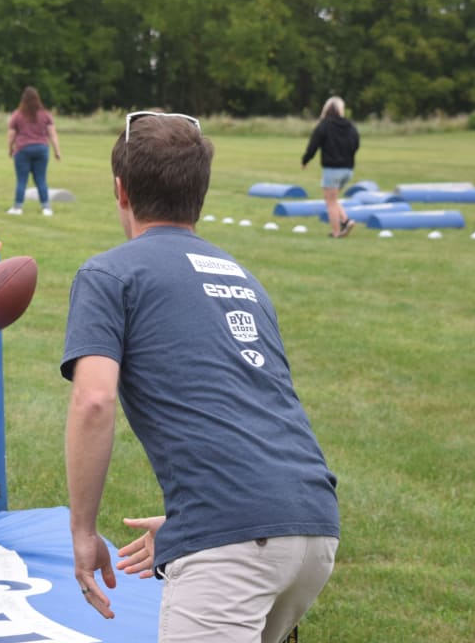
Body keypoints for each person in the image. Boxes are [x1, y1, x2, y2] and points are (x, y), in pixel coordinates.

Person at [63, 111, 340, 642]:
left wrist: (82, 532)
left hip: (237, 542)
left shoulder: (109, 274)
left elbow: (93, 402)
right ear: (201, 193)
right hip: (312, 522)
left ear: (120, 190)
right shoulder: (242, 277)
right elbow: (249, 405)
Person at [301, 96, 361, 238]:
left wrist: (306, 159)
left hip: (332, 169)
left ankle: (336, 233)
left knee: (330, 202)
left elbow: (313, 144)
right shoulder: (350, 125)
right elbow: (356, 144)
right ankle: (346, 221)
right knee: (332, 198)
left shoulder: (324, 125)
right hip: (348, 169)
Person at [6, 86, 62, 216]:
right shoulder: (45, 115)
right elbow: (53, 134)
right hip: (41, 149)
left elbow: (11, 134)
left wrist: (10, 149)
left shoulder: (17, 115)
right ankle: (46, 208)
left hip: (23, 150)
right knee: (41, 179)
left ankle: (17, 207)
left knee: (22, 180)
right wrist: (57, 151)